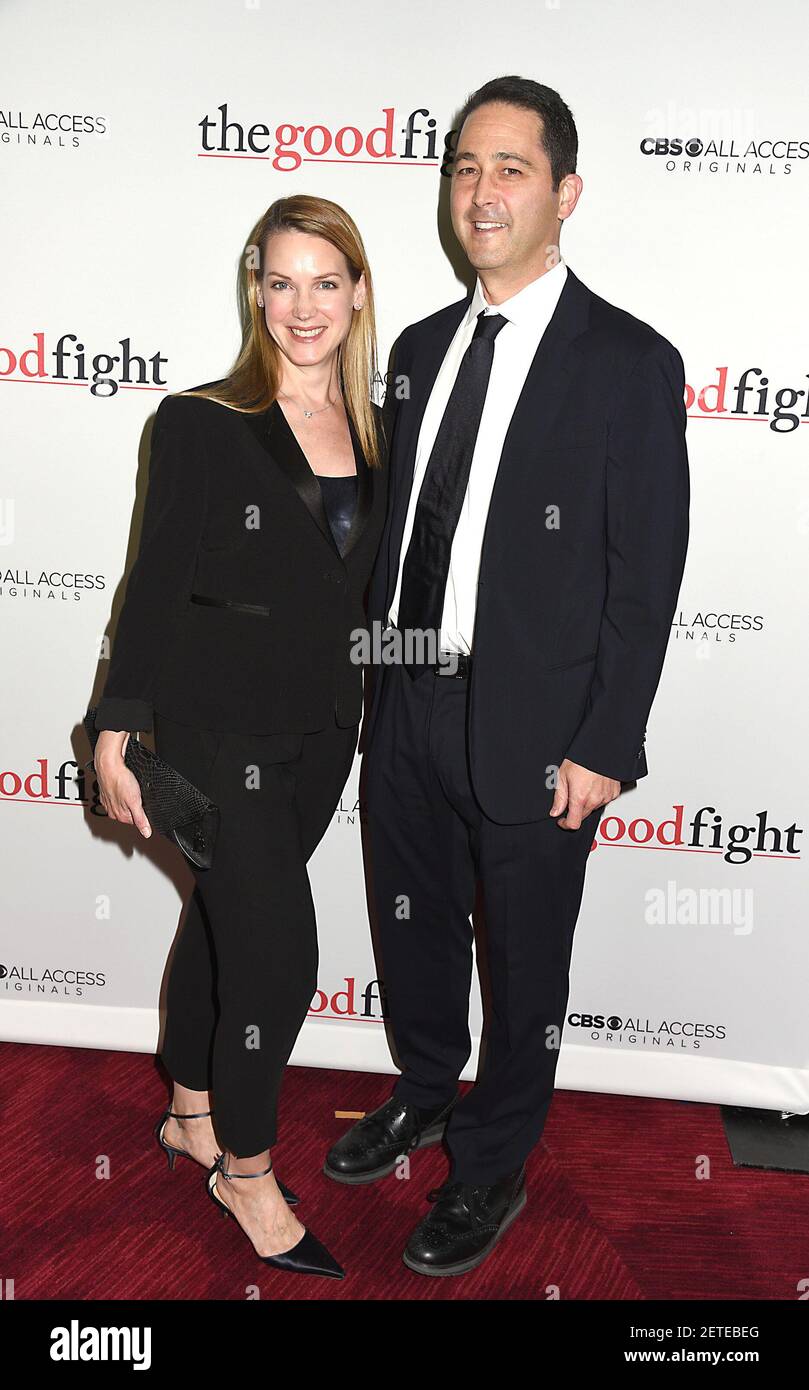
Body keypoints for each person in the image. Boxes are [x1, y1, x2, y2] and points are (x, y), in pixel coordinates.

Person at [325, 76, 690, 1277]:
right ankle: (424, 1088)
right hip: (407, 695)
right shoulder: (419, 351)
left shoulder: (624, 362)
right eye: (463, 168)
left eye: (509, 169)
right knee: (411, 928)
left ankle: (488, 1166)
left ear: (563, 193)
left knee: (525, 961)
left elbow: (644, 575)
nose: (479, 192)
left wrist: (604, 745)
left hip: (538, 725)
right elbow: (386, 545)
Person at [91, 194, 387, 1280]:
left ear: (356, 292)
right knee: (278, 952)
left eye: (323, 282)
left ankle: (186, 1108)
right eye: (278, 281)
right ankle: (247, 1171)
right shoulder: (200, 420)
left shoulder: (377, 430)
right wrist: (117, 726)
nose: (299, 306)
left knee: (224, 921)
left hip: (321, 735)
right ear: (252, 288)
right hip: (213, 732)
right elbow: (155, 580)